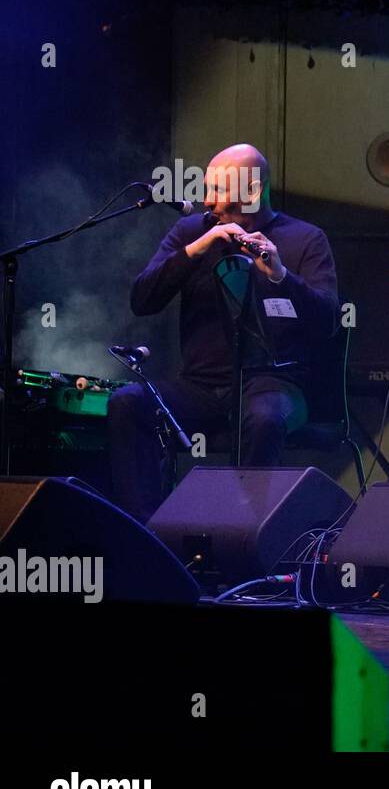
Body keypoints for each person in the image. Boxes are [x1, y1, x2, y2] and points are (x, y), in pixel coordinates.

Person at [107, 143, 339, 522]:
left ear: (251, 192)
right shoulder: (191, 231)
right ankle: (145, 535)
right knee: (128, 403)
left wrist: (281, 275)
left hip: (274, 383)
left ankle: (245, 540)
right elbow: (142, 299)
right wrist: (197, 248)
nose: (207, 201)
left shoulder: (305, 238)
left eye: (217, 190)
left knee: (263, 419)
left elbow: (328, 320)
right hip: (200, 387)